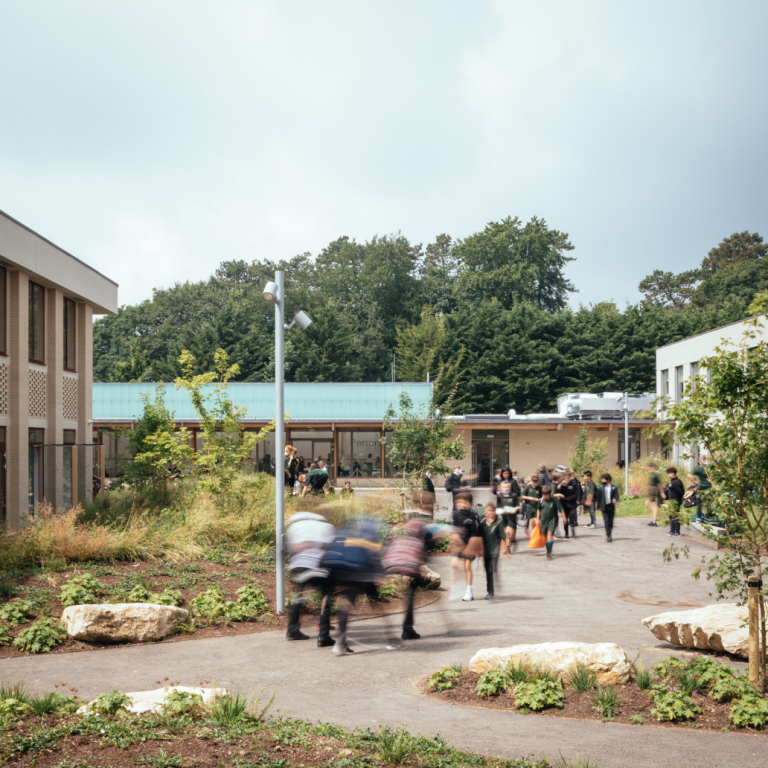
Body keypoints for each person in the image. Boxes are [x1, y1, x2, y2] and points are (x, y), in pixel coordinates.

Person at [285, 512, 335, 644]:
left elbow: (292, 548)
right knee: (326, 596)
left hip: (300, 565)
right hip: (319, 566)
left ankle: (292, 629)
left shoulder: (295, 526)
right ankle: (323, 635)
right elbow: (331, 548)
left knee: (299, 594)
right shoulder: (327, 527)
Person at [451, 492, 480, 602]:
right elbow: (454, 528)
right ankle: (456, 587)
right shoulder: (455, 514)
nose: (461, 504)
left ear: (469, 503)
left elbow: (474, 532)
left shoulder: (472, 515)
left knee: (467, 567)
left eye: (463, 502)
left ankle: (469, 591)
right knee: (454, 565)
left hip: (470, 544)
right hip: (458, 544)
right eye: (459, 502)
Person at [478, 504, 506, 598]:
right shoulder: (482, 523)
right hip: (485, 552)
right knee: (488, 571)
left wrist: (504, 549)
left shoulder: (498, 522)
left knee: (492, 569)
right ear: (485, 513)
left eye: (492, 511)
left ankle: (491, 591)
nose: (490, 513)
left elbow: (502, 536)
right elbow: (477, 536)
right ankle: (490, 591)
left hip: (495, 551)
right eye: (488, 511)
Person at [536, 485, 562, 559]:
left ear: (549, 494)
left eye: (546, 495)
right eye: (543, 495)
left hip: (552, 520)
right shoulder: (541, 500)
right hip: (543, 520)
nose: (544, 496)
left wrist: (564, 516)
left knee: (549, 535)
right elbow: (538, 510)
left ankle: (549, 552)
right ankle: (548, 551)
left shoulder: (554, 500)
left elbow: (561, 509)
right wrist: (537, 519)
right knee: (545, 537)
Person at [496, 479, 519, 552]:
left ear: (510, 487)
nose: (506, 488)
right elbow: (498, 507)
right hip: (503, 518)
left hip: (511, 518)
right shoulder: (500, 496)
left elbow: (518, 506)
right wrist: (500, 510)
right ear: (502, 488)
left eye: (508, 487)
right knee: (505, 535)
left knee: (508, 533)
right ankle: (508, 549)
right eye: (505, 487)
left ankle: (509, 547)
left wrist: (513, 509)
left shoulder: (513, 496)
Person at [596, 473, 619, 542]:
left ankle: (610, 531)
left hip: (611, 506)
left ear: (608, 480)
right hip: (604, 507)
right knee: (606, 522)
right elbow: (599, 498)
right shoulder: (601, 488)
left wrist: (615, 499)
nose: (602, 481)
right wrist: (597, 507)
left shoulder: (614, 487)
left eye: (603, 479)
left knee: (611, 522)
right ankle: (608, 535)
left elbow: (617, 495)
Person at [560, 469, 581, 538]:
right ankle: (566, 533)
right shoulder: (562, 484)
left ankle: (572, 528)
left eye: (568, 478)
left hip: (571, 504)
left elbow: (576, 494)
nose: (567, 479)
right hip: (564, 504)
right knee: (565, 519)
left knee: (571, 517)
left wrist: (569, 498)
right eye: (565, 478)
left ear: (571, 477)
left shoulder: (574, 484)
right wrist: (560, 486)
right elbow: (559, 492)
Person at [666, 467, 685, 536]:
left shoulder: (676, 482)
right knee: (671, 516)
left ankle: (676, 531)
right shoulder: (673, 481)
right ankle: (672, 530)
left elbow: (681, 492)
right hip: (671, 502)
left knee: (675, 516)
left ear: (673, 473)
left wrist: (679, 499)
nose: (668, 475)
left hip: (675, 502)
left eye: (669, 474)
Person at [646, 462, 660, 526]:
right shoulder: (653, 474)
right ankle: (654, 520)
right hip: (653, 490)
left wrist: (662, 492)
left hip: (654, 490)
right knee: (652, 505)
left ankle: (654, 521)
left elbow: (658, 484)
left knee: (654, 505)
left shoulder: (655, 474)